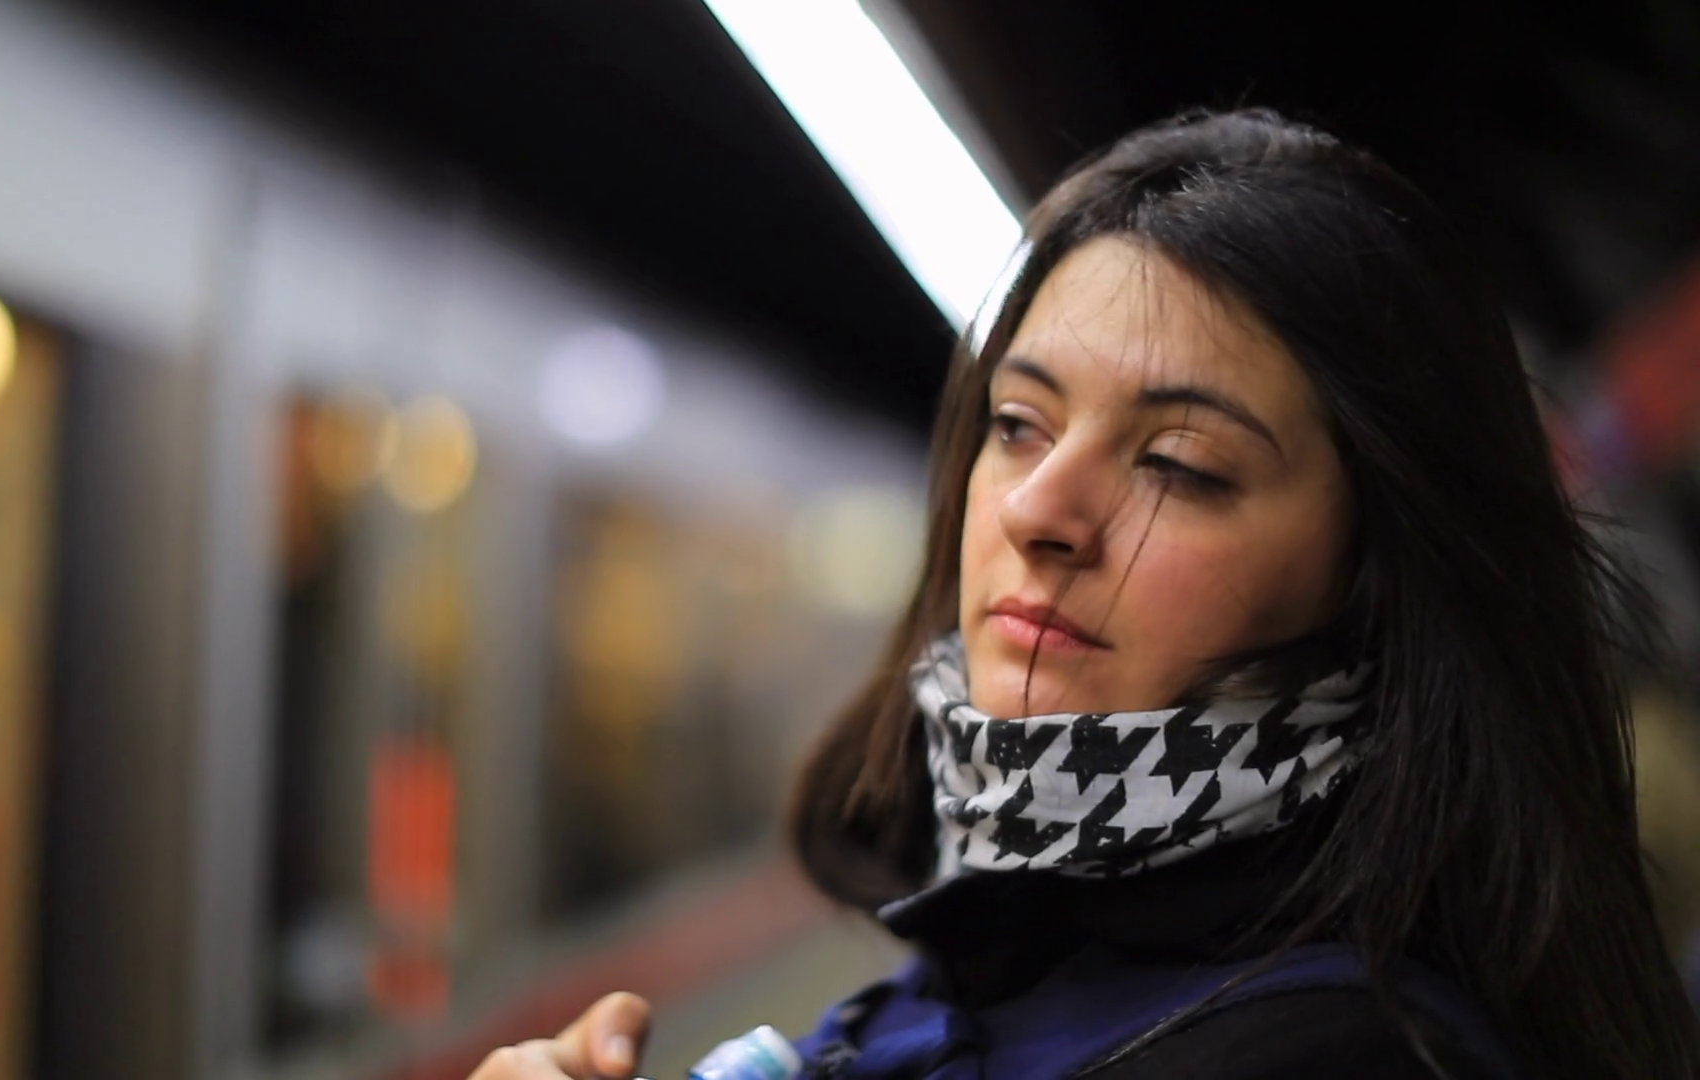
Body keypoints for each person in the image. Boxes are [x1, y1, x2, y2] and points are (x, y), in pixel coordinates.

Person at [471, 109, 1700, 1079]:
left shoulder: (1343, 1055)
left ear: (1378, 581)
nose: (1035, 512)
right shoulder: (1011, 952)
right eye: (1018, 425)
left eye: (1179, 466)